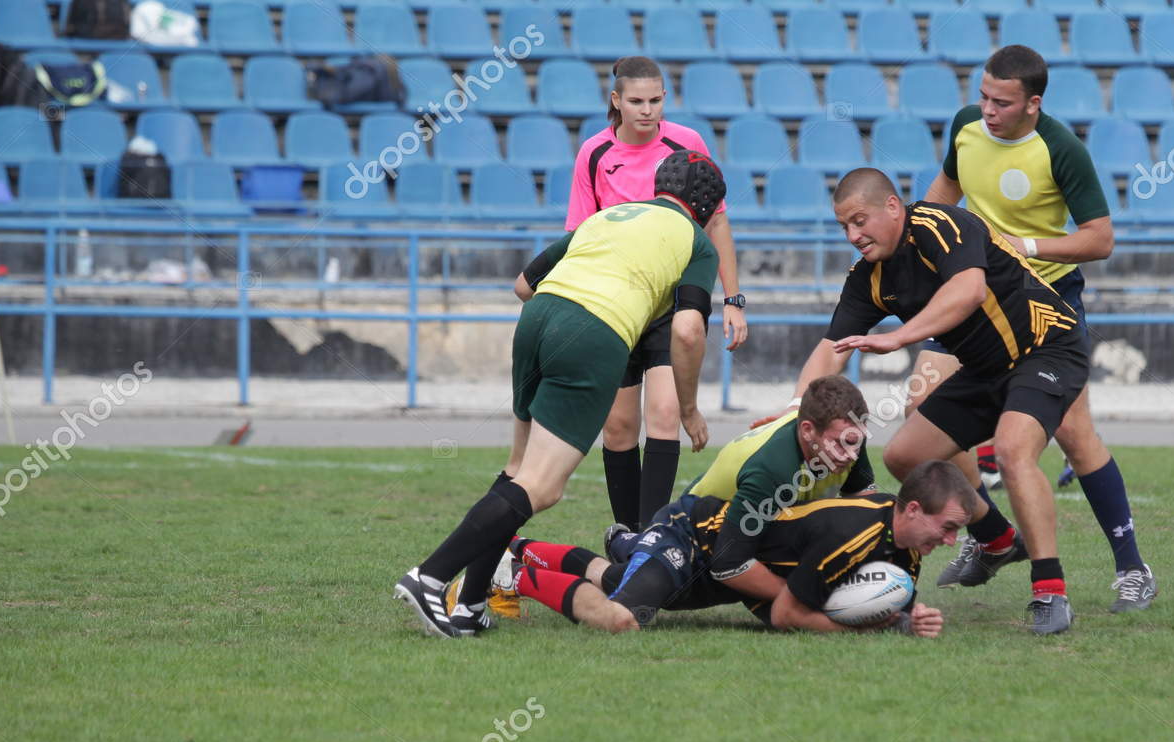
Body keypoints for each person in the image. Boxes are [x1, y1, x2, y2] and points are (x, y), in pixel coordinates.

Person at [394, 150, 725, 638]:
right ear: (706, 206)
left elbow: (523, 284)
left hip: (538, 316)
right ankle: (430, 576)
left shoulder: (612, 214)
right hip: (593, 332)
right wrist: (691, 408)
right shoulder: (698, 243)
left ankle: (469, 604)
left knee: (517, 470)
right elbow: (690, 331)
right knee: (543, 486)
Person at [794, 167, 1089, 635]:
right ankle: (997, 540)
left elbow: (968, 290)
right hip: (985, 371)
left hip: (1046, 346)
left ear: (893, 207)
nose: (853, 235)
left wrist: (901, 337)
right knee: (905, 455)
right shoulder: (868, 278)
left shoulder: (940, 224)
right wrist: (796, 415)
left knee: (1013, 451)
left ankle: (1050, 591)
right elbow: (833, 348)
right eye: (844, 227)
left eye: (859, 221)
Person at [920, 44, 1156, 612]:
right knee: (922, 403)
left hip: (1047, 304)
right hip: (975, 297)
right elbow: (943, 196)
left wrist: (1021, 246)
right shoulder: (966, 127)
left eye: (1001, 101)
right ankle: (994, 538)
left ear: (1033, 104)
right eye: (982, 96)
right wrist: (919, 244)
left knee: (1074, 434)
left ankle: (1132, 567)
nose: (987, 110)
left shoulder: (1061, 148)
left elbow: (1100, 238)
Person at [571, 56, 749, 534]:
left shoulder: (686, 144)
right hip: (614, 306)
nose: (646, 110)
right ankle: (626, 535)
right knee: (619, 427)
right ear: (616, 100)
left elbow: (717, 221)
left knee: (666, 412)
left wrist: (733, 300)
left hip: (674, 303)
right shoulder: (593, 153)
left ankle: (650, 540)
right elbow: (580, 233)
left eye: (655, 100)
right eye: (636, 101)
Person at [509, 459, 974, 636]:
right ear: (912, 509)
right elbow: (787, 615)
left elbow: (884, 602)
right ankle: (505, 576)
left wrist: (913, 618)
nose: (950, 541)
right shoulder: (849, 536)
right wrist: (867, 629)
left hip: (723, 577)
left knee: (614, 580)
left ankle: (517, 545)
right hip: (691, 537)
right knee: (623, 618)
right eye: (947, 527)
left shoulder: (907, 548)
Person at [607, 373, 877, 606]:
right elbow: (729, 564)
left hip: (751, 521)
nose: (851, 455)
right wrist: (802, 600)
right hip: (689, 530)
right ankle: (628, 544)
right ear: (807, 431)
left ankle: (633, 545)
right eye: (842, 444)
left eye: (856, 442)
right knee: (670, 591)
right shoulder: (773, 470)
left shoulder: (845, 433)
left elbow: (864, 509)